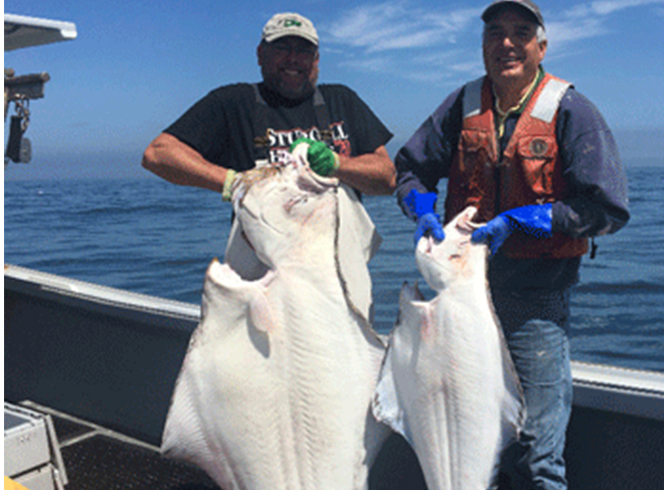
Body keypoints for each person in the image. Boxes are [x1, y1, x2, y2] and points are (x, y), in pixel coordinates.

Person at [394, 1, 630, 488]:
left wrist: (531, 220)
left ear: (541, 47)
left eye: (520, 33)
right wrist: (419, 206)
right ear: (482, 47)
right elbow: (411, 167)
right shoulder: (462, 105)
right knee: (464, 443)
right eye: (495, 33)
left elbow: (607, 209)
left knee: (538, 455)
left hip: (536, 302)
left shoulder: (571, 110)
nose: (506, 43)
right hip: (459, 299)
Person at [142, 12, 396, 200]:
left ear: (317, 59)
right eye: (282, 47)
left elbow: (387, 178)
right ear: (260, 54)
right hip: (263, 264)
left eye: (304, 50)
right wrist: (232, 182)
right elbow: (158, 154)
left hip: (335, 264)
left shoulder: (342, 99)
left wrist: (338, 164)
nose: (293, 58)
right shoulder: (234, 102)